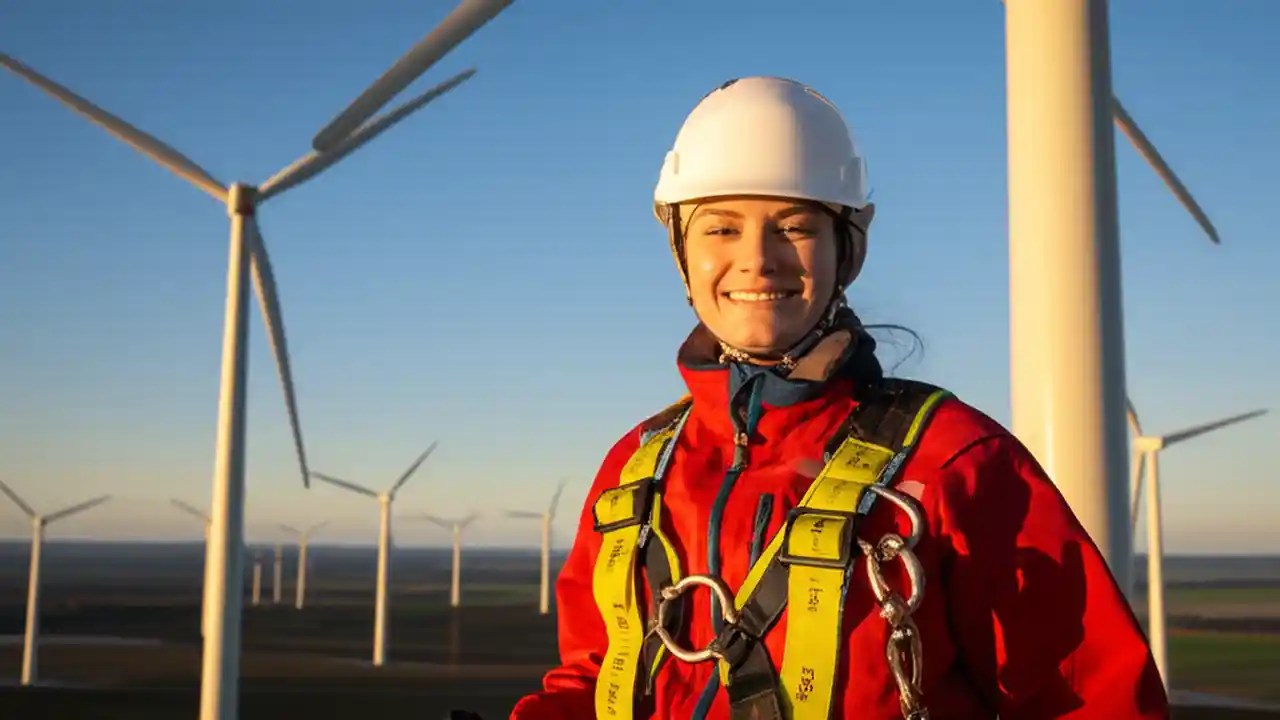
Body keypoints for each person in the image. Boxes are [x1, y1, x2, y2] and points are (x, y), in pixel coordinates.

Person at [510, 76, 1168, 720]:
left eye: (793, 227)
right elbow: (594, 678)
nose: (758, 259)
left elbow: (1092, 699)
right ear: (683, 252)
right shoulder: (636, 468)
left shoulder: (954, 462)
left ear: (844, 249)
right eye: (720, 229)